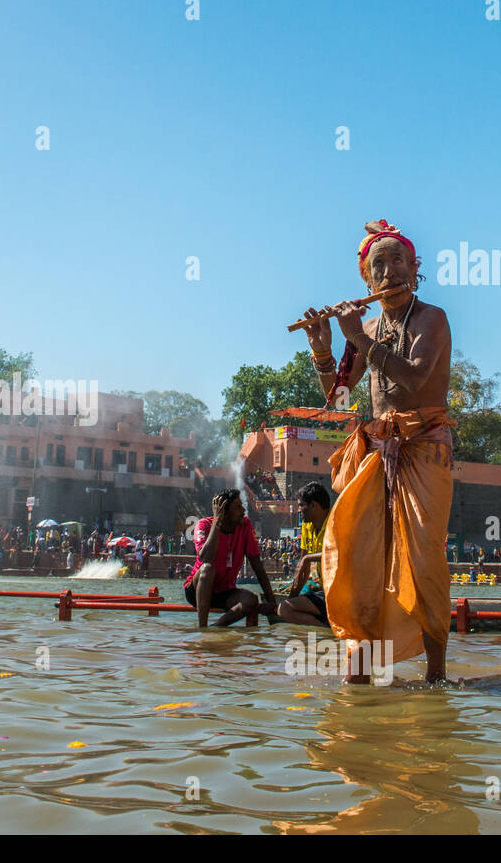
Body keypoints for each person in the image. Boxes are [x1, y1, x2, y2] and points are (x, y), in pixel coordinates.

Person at [301, 219, 454, 684]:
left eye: (397, 261)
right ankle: (360, 673)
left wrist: (360, 339)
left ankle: (436, 677)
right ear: (366, 279)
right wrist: (324, 351)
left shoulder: (432, 318)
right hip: (375, 450)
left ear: (415, 268)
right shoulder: (365, 325)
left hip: (424, 448)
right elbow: (340, 399)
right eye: (378, 264)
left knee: (423, 559)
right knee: (358, 556)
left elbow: (413, 378)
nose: (388, 271)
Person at [184, 488, 279, 627]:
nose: (243, 510)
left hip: (225, 592)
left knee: (251, 600)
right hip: (197, 589)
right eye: (237, 507)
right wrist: (217, 522)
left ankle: (216, 627)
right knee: (207, 568)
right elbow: (206, 558)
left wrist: (272, 602)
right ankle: (202, 629)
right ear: (224, 512)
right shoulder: (204, 525)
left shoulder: (245, 525)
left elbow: (256, 564)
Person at [277, 482, 332, 626]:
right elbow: (302, 569)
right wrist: (291, 597)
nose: (299, 510)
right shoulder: (307, 525)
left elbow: (339, 555)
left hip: (340, 591)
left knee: (284, 610)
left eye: (301, 506)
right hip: (323, 590)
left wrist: (308, 558)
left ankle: (326, 634)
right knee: (281, 609)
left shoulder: (336, 522)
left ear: (313, 505)